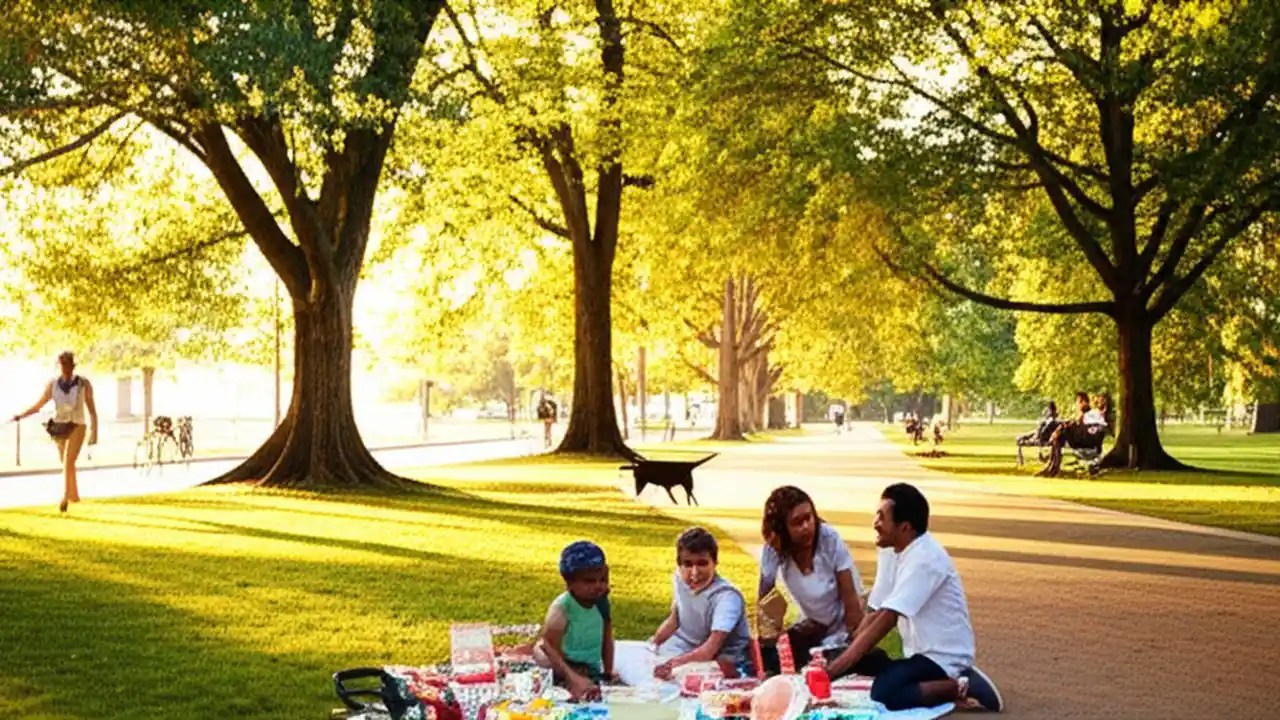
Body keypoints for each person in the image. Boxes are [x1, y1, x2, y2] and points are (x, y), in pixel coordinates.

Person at [827, 483, 1003, 712]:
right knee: (858, 655)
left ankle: (958, 685)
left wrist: (834, 669)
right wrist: (847, 649)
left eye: (882, 517)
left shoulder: (925, 559)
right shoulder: (893, 549)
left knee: (884, 693)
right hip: (916, 653)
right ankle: (915, 677)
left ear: (905, 527)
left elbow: (887, 619)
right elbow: (877, 607)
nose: (875, 523)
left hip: (941, 655)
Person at [757, 486, 890, 677]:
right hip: (810, 630)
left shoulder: (829, 539)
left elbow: (852, 605)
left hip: (844, 631)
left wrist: (852, 643)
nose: (806, 527)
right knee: (770, 659)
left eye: (809, 518)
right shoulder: (775, 551)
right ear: (782, 529)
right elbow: (766, 617)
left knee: (865, 661)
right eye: (797, 522)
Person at [650, 527, 752, 679]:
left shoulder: (727, 597)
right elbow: (675, 618)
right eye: (688, 564)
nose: (695, 573)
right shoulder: (680, 580)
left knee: (671, 678)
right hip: (687, 650)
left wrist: (672, 664)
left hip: (725, 662)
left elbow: (711, 649)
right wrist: (651, 645)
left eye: (702, 563)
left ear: (715, 562)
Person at [11, 351, 98, 513]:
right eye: (61, 363)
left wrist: (94, 431)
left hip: (77, 425)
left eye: (67, 363)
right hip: (59, 426)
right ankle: (74, 496)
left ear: (73, 365)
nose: (64, 366)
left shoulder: (83, 384)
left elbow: (92, 410)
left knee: (68, 461)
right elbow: (38, 406)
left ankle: (64, 498)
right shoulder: (53, 385)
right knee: (65, 463)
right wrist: (21, 415)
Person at [535, 541, 615, 701]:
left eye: (603, 579)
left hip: (589, 666)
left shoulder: (600, 602)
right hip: (561, 662)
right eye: (589, 581)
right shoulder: (562, 609)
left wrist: (608, 672)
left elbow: (607, 637)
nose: (598, 586)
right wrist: (570, 676)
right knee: (542, 655)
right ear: (569, 583)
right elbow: (549, 647)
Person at [1037, 392, 1108, 477]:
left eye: (1079, 402)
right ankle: (1052, 465)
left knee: (1062, 430)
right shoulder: (1092, 415)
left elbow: (1084, 426)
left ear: (1084, 402)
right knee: (1061, 433)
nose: (1077, 405)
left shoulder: (1093, 414)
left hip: (1086, 443)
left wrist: (1063, 427)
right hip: (1084, 441)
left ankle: (1053, 466)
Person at [1015, 401, 1059, 466]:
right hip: (1043, 436)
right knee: (1024, 436)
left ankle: (1020, 460)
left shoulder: (1049, 421)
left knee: (1020, 439)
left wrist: (1035, 438)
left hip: (1042, 437)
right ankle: (1021, 439)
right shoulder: (1055, 419)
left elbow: (1041, 433)